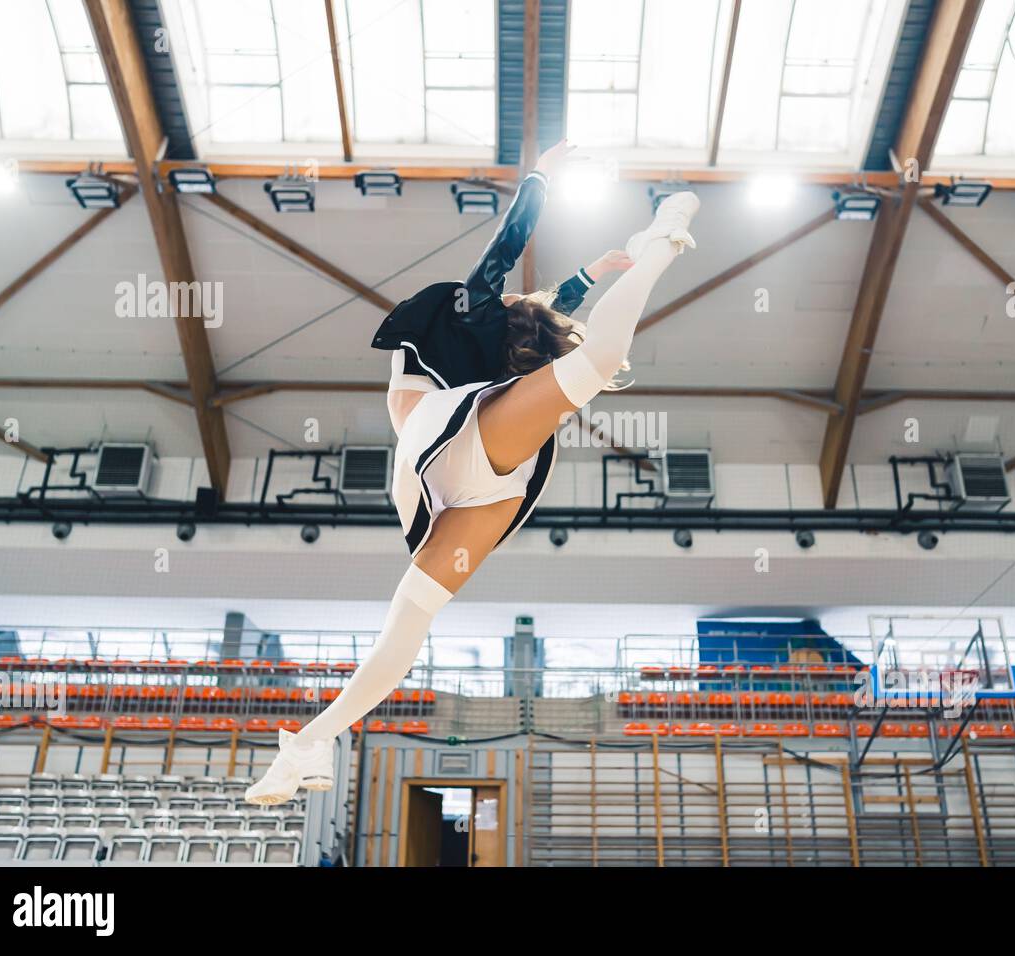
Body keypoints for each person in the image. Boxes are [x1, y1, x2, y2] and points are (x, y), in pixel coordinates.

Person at [247, 141, 699, 804]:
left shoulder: (477, 326)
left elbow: (523, 268)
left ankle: (308, 742)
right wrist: (576, 243)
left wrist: (551, 195)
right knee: (598, 360)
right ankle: (659, 242)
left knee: (406, 630)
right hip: (457, 446)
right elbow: (528, 276)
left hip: (457, 463)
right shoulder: (478, 318)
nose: (523, 296)